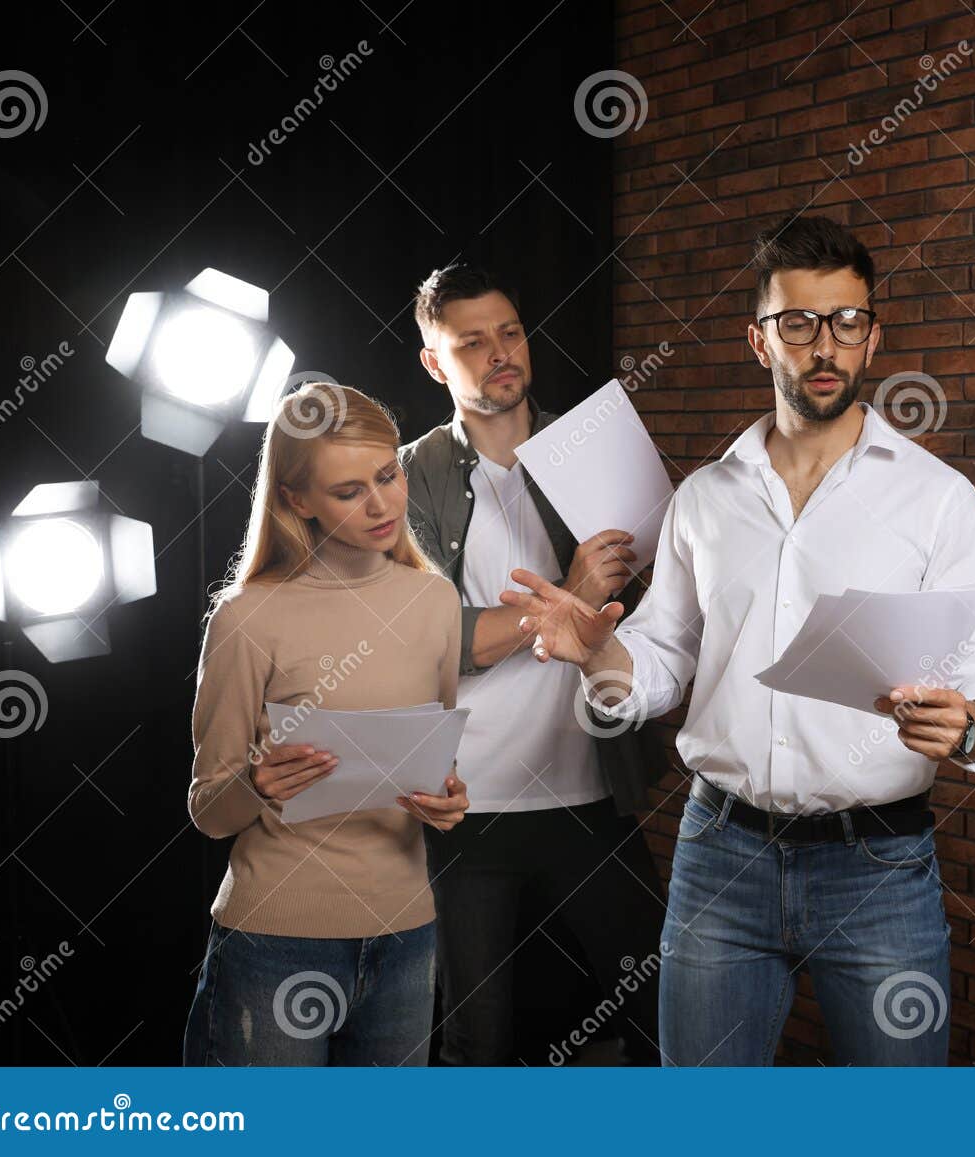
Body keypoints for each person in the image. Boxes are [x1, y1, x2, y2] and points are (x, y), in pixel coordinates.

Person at [499, 216, 975, 1066]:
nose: (825, 344)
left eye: (846, 321)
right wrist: (600, 652)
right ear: (759, 338)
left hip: (879, 865)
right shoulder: (704, 498)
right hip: (721, 857)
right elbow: (667, 655)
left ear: (872, 335)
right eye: (798, 322)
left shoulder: (939, 498)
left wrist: (972, 723)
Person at [400, 264, 664, 1065]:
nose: (499, 353)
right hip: (466, 809)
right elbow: (425, 641)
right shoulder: (407, 477)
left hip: (592, 793)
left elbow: (662, 615)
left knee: (664, 1004)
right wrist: (570, 599)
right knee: (475, 1040)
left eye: (509, 332)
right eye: (470, 342)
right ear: (435, 364)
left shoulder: (595, 453)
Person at [183, 383, 469, 1066]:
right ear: (295, 500)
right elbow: (208, 809)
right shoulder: (247, 618)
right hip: (274, 940)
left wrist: (449, 801)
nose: (381, 504)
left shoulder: (435, 600)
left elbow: (437, 759)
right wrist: (257, 785)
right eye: (349, 491)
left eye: (388, 475)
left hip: (407, 932)